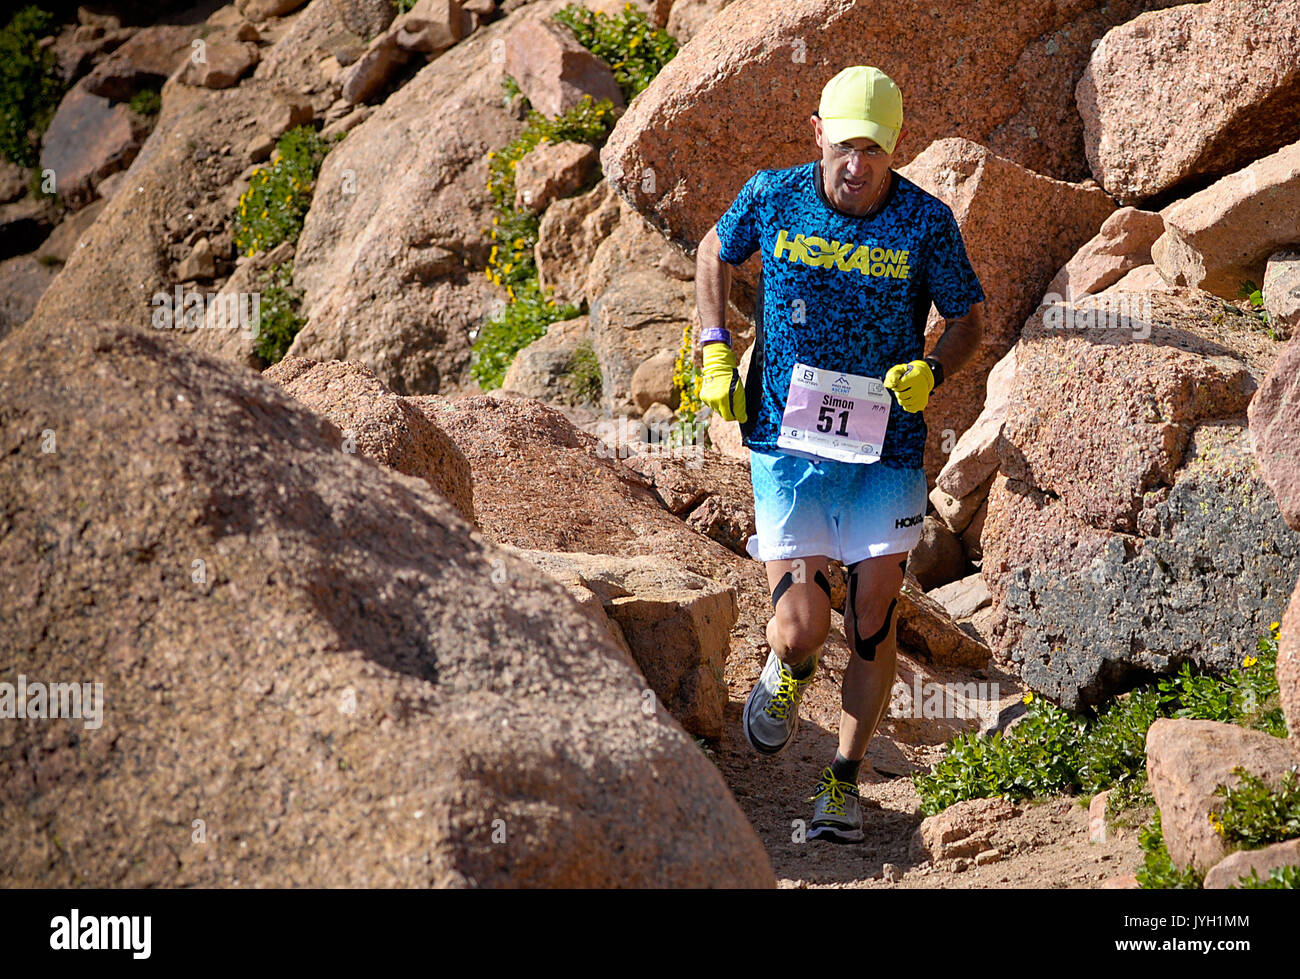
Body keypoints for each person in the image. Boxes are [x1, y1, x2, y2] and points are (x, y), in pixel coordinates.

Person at [694, 65, 986, 843]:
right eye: (846, 144)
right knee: (799, 628)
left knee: (870, 617)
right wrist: (715, 342)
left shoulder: (926, 221)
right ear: (816, 131)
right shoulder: (773, 194)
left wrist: (935, 369)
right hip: (786, 444)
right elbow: (712, 252)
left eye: (876, 150)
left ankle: (843, 783)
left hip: (885, 448)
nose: (858, 165)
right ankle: (785, 673)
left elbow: (969, 318)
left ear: (897, 151)